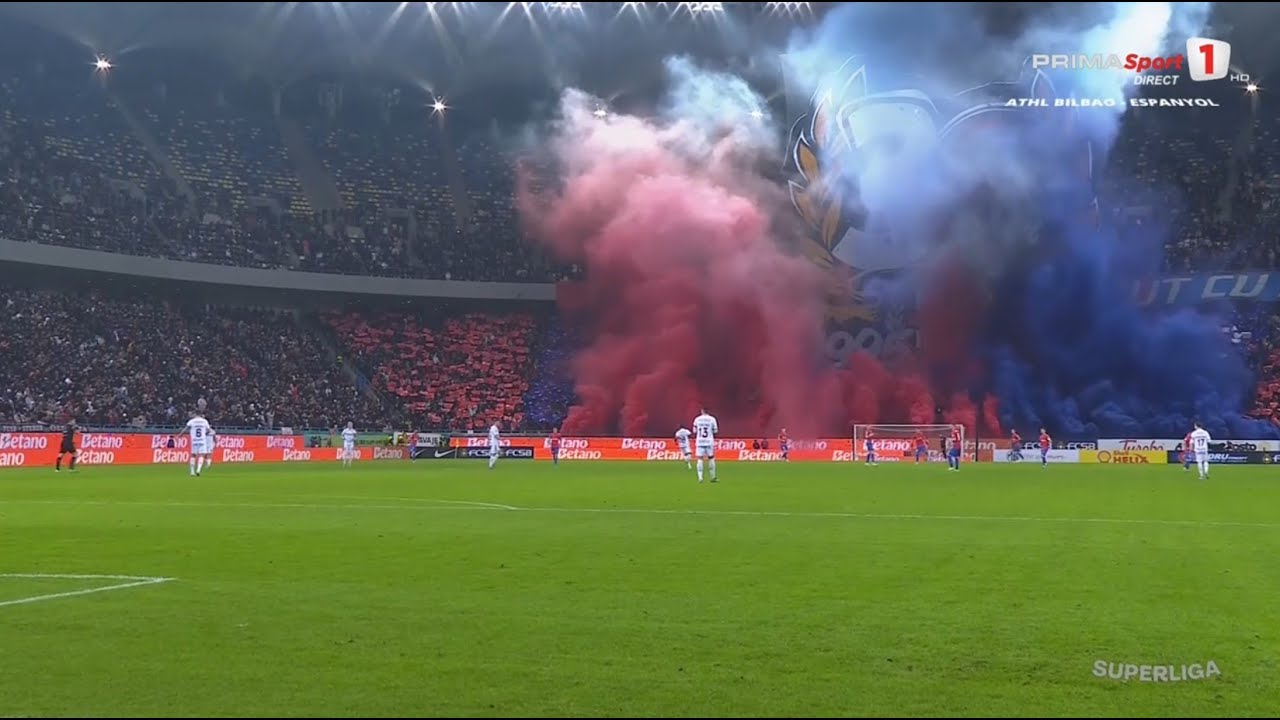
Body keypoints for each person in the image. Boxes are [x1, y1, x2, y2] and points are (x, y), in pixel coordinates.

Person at [692, 408, 719, 483]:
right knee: (711, 458)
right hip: (709, 441)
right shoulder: (712, 419)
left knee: (700, 459)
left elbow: (694, 431)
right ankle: (712, 477)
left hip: (700, 441)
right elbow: (715, 430)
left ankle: (700, 478)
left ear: (702, 411)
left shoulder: (697, 419)